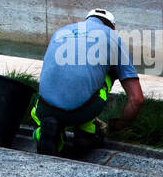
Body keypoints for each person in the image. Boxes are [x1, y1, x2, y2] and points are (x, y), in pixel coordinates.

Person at [30, 9, 144, 156]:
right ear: (112, 28)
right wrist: (119, 125)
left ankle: (43, 133)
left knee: (67, 74)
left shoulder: (61, 31)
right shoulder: (114, 38)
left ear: (86, 20)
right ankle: (86, 130)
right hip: (82, 110)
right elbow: (137, 99)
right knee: (109, 73)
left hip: (45, 107)